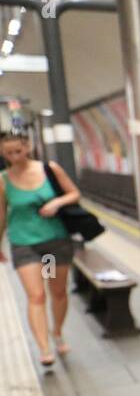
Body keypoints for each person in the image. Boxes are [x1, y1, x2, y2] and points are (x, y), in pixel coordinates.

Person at [0, 130, 81, 368]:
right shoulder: (3, 180)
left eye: (18, 151)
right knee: (36, 296)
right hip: (25, 243)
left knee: (57, 292)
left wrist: (57, 201)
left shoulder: (49, 170)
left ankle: (57, 332)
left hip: (53, 242)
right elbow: (1, 214)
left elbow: (74, 193)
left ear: (28, 147)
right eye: (8, 153)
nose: (15, 157)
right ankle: (44, 348)